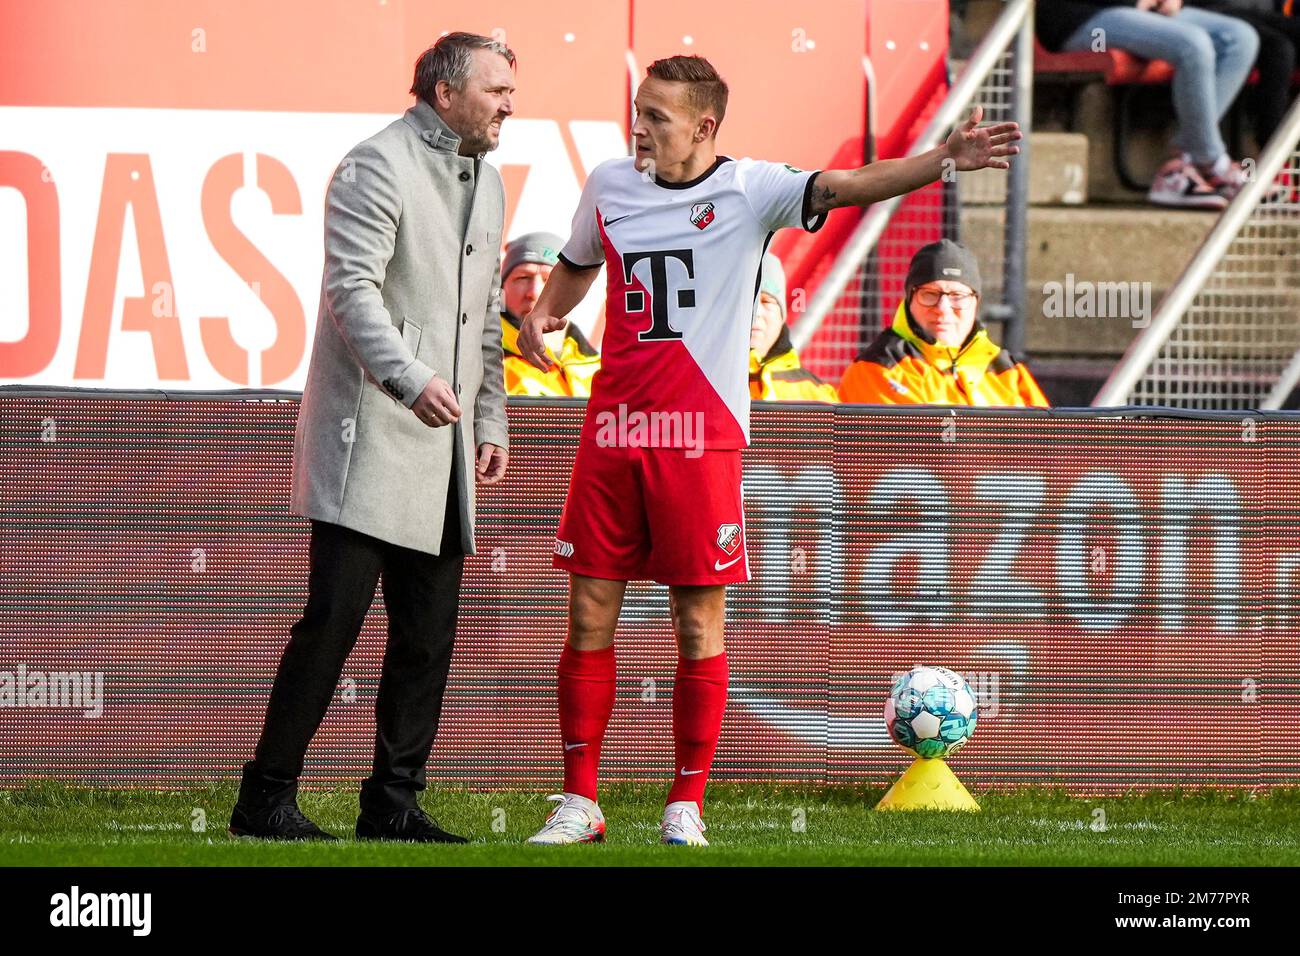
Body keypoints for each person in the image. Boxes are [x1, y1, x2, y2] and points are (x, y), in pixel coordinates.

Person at [515, 55, 1019, 845]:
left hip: (701, 438)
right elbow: (578, 265)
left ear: (705, 127)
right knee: (587, 613)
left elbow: (849, 184)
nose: (638, 126)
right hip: (613, 430)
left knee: (695, 622)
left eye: (657, 116)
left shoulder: (750, 188)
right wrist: (546, 313)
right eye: (638, 110)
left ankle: (686, 804)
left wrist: (943, 161)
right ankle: (580, 802)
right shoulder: (609, 185)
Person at [228, 32, 513, 843]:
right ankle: (264, 799)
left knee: (428, 638)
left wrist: (488, 415)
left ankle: (392, 806)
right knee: (332, 626)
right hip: (368, 437)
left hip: (446, 444)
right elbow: (350, 295)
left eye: (511, 95)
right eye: (496, 91)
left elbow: (481, 319)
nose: (507, 108)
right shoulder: (374, 164)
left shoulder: (486, 182)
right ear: (443, 91)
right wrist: (410, 378)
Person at [1037, 0, 1260, 208]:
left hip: (1137, 11)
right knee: (1193, 44)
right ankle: (1211, 163)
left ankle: (1185, 160)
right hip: (1082, 19)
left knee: (1240, 38)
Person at [838, 239, 1049, 407]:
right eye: (930, 294)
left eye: (957, 295)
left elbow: (1050, 445)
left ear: (976, 301)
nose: (943, 308)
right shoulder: (878, 367)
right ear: (909, 299)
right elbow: (923, 454)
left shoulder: (1005, 368)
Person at [499, 231, 601, 396]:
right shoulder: (486, 362)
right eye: (523, 278)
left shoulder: (596, 364)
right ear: (502, 289)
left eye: (548, 279)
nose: (534, 292)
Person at [1189, 0, 1300, 147]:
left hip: (1266, 12)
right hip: (1217, 10)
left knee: (1282, 45)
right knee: (1279, 48)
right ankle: (1272, 147)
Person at [749, 253, 838, 402]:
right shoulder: (706, 385)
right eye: (747, 301)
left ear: (781, 316)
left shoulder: (815, 395)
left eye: (766, 301)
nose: (755, 313)